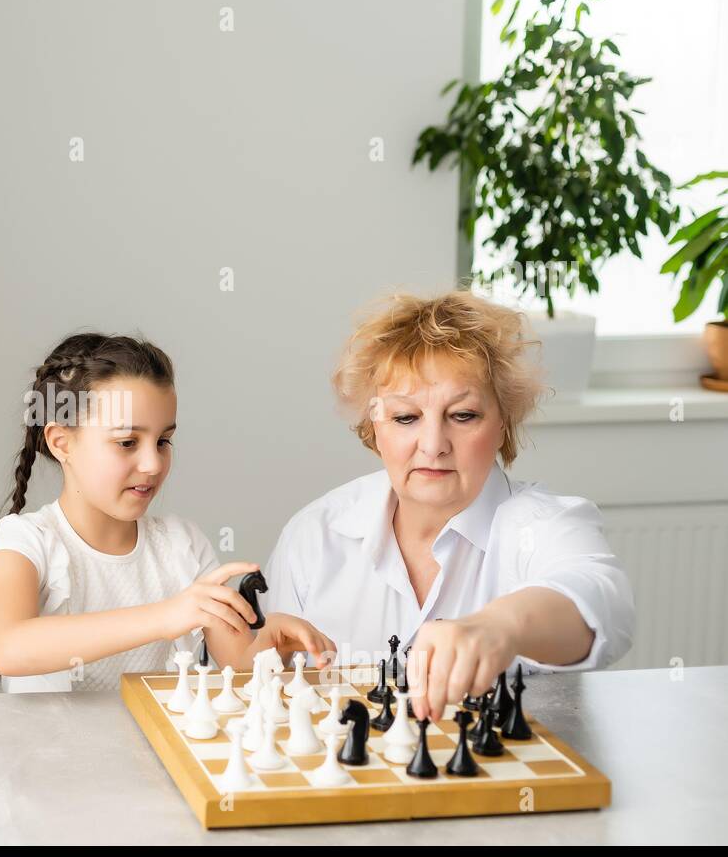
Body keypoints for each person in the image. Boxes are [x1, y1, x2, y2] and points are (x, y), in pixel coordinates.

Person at [258, 290, 635, 721]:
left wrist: (499, 627)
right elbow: (259, 668)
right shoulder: (316, 533)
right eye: (405, 418)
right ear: (373, 426)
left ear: (502, 424)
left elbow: (603, 605)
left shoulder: (547, 524)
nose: (434, 446)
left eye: (463, 415)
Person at [0, 332, 334, 694]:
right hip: (52, 754)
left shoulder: (181, 544)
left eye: (163, 441)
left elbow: (240, 670)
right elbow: (10, 648)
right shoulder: (25, 542)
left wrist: (270, 645)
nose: (153, 463)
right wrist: (165, 616)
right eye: (127, 442)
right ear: (62, 443)